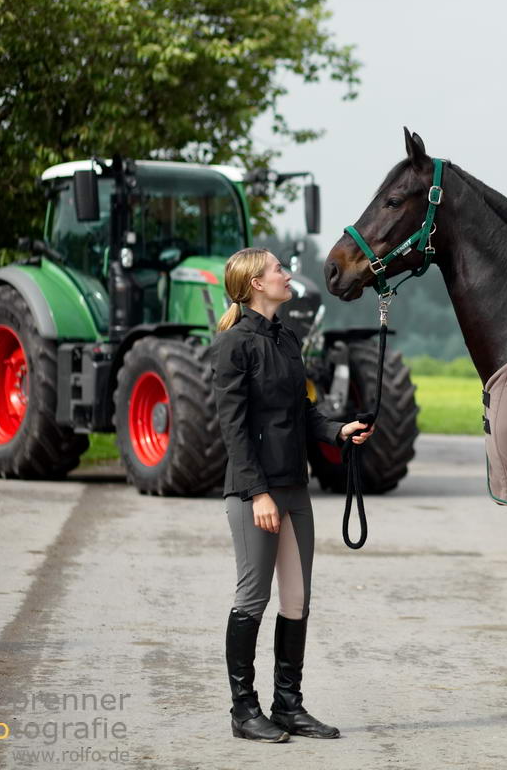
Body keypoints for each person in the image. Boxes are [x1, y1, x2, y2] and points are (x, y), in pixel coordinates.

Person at [213, 247, 373, 743]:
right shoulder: (233, 345)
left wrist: (337, 430)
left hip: (294, 488)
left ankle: (288, 705)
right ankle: (244, 711)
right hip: (254, 493)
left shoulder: (287, 339)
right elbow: (233, 428)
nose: (286, 274)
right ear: (256, 284)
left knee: (297, 600)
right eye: (278, 269)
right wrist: (257, 493)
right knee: (251, 599)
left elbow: (302, 413)